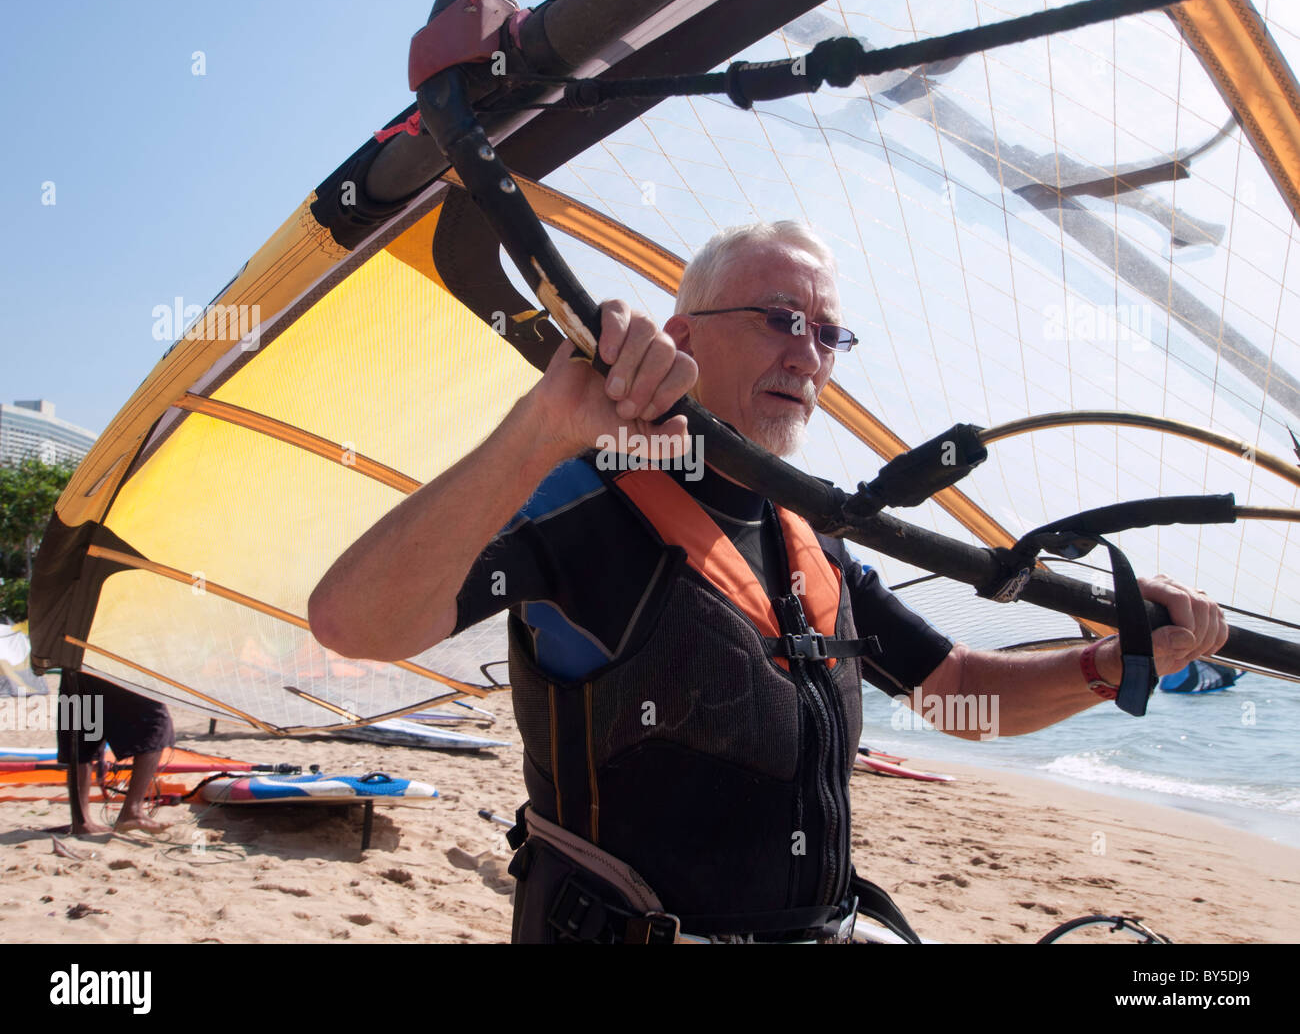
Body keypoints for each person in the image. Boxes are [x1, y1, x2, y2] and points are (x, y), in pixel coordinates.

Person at [308, 221, 1227, 942]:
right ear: (679, 336)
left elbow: (953, 692)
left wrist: (1108, 663)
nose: (809, 354)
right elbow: (351, 619)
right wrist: (541, 428)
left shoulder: (815, 546)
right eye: (782, 318)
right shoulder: (586, 498)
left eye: (828, 334)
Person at [53, 669, 174, 835]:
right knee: (157, 725)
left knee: (81, 740)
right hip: (106, 661)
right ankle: (132, 810)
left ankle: (80, 822)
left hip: (73, 662)